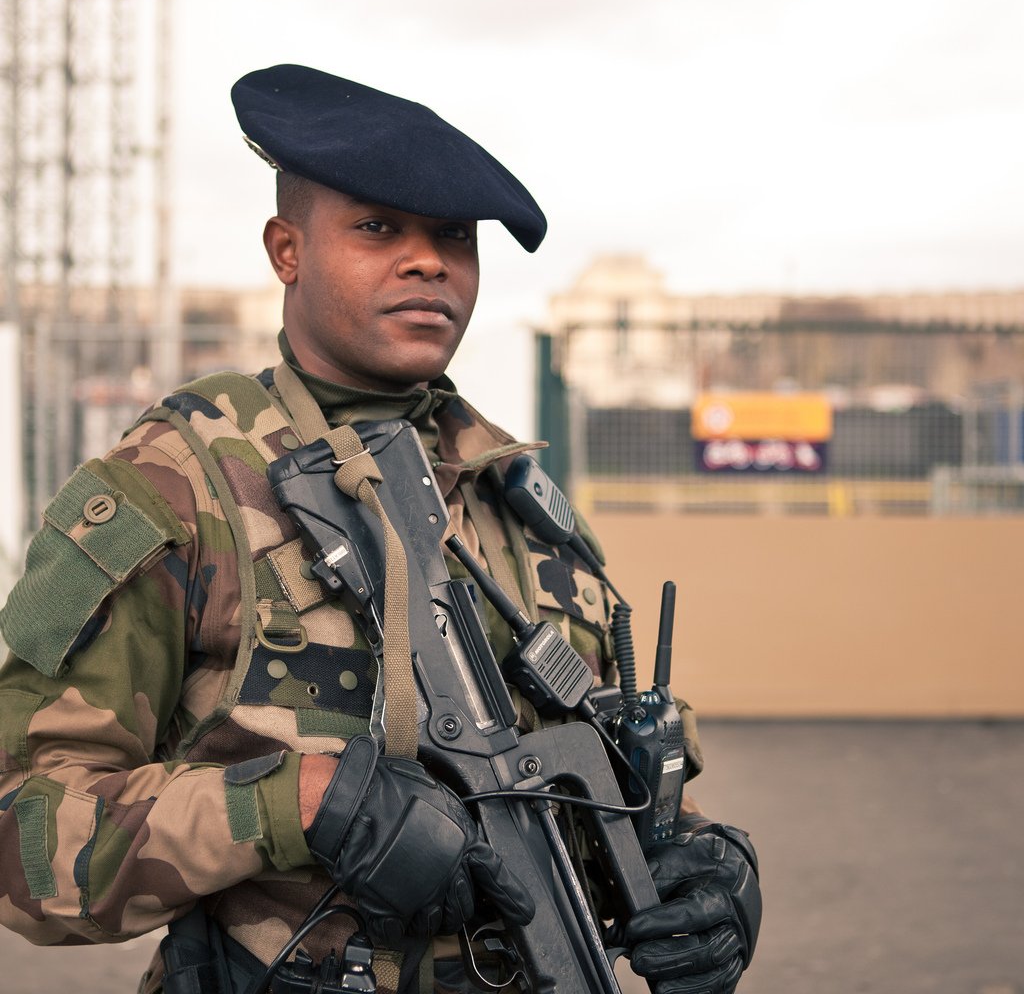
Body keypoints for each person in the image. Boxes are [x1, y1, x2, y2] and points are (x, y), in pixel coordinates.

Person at [0, 64, 760, 994]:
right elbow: (23, 836)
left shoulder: (516, 504)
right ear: (287, 249)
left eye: (452, 236)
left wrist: (707, 873)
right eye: (376, 228)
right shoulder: (179, 483)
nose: (427, 261)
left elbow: (614, 785)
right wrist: (298, 806)